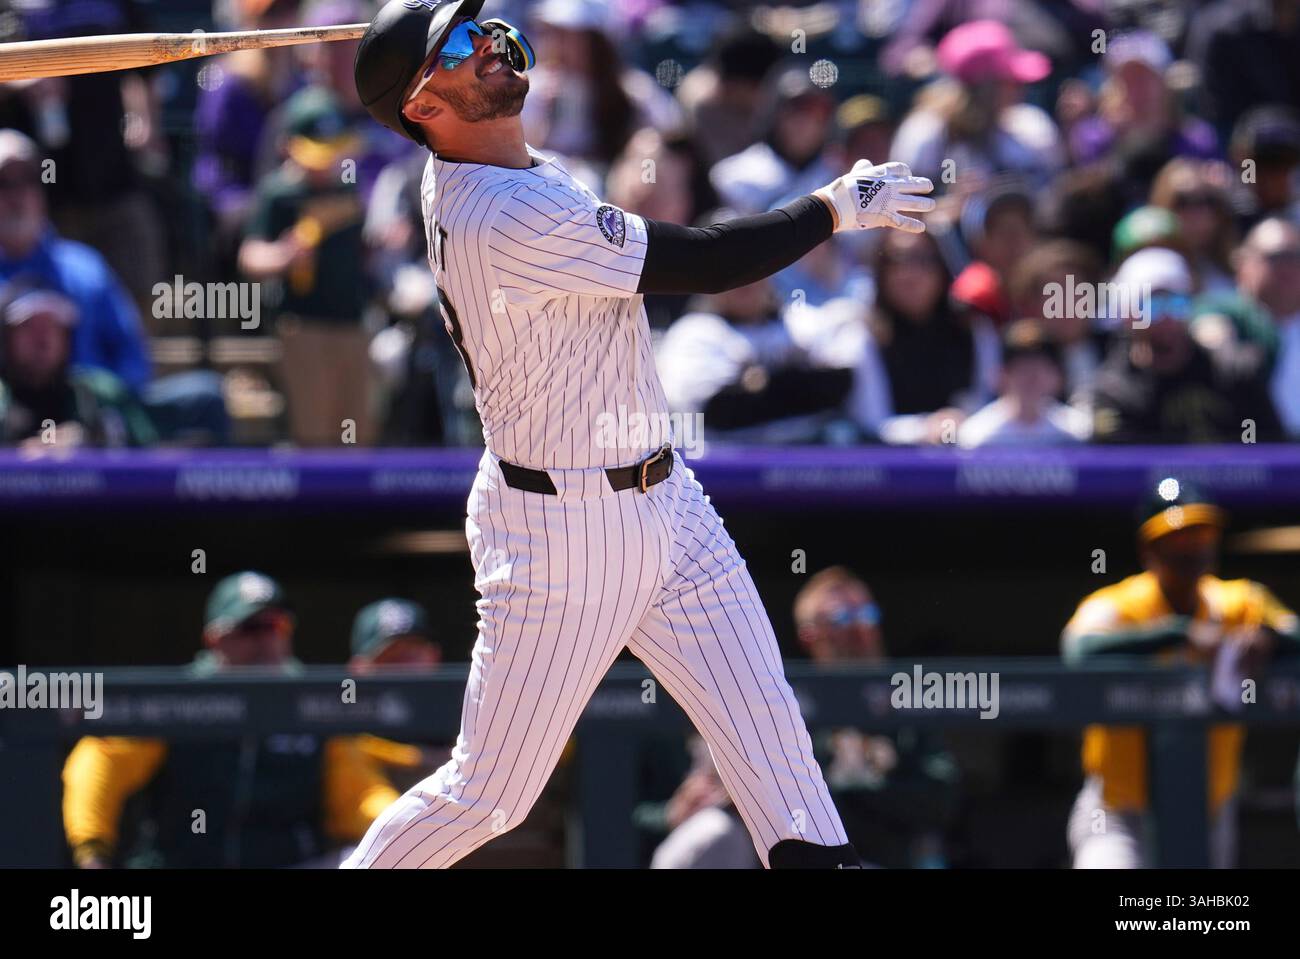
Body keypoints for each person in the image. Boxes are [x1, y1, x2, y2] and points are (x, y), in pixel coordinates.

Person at [346, 0, 934, 870]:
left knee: (776, 748)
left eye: (485, 27)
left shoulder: (497, 156)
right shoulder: (496, 209)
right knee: (489, 792)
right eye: (461, 46)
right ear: (422, 109)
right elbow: (703, 260)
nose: (492, 44)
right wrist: (834, 207)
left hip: (665, 496)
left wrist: (416, 35)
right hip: (563, 530)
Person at [61, 572, 405, 868]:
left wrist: (406, 834)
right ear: (215, 638)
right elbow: (99, 760)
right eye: (250, 627)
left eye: (276, 625)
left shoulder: (311, 703)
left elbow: (361, 795)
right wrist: (92, 849)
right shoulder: (180, 699)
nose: (266, 639)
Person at [1062, 479, 1300, 868]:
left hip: (1208, 807)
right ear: (1149, 550)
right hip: (1118, 810)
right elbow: (1077, 648)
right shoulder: (1121, 605)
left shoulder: (1241, 601)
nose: (1192, 549)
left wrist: (1268, 638)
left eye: (1200, 534)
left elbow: (1294, 631)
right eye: (1177, 538)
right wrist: (1177, 634)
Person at [793, 567, 961, 868]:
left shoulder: (905, 700)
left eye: (867, 616)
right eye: (842, 619)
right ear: (809, 635)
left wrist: (852, 793)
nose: (860, 631)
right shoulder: (788, 706)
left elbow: (941, 796)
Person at [238, 87, 374, 447]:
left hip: (352, 324)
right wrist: (286, 254)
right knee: (315, 434)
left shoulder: (351, 188)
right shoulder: (279, 193)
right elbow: (250, 256)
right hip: (304, 327)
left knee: (356, 435)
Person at [1091, 247, 1283, 443]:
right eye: (1151, 306)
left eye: (1177, 303)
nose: (1166, 317)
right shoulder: (1112, 392)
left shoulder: (1235, 373)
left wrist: (1240, 457)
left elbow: (1265, 447)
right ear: (1127, 314)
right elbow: (1123, 466)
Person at [0, 276, 155, 448]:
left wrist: (91, 436)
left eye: (52, 326)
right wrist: (19, 454)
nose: (42, 339)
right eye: (28, 326)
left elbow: (146, 455)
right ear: (7, 337)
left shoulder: (101, 394)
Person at [958, 318, 1091, 447]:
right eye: (1021, 368)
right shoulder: (975, 437)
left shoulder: (1077, 432)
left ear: (1057, 376)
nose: (1031, 378)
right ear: (1001, 375)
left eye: (1041, 368)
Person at [1235, 218, 1300, 437]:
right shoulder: (1230, 319)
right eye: (1275, 258)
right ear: (1244, 263)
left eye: (1294, 257)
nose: (1287, 268)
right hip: (1249, 461)